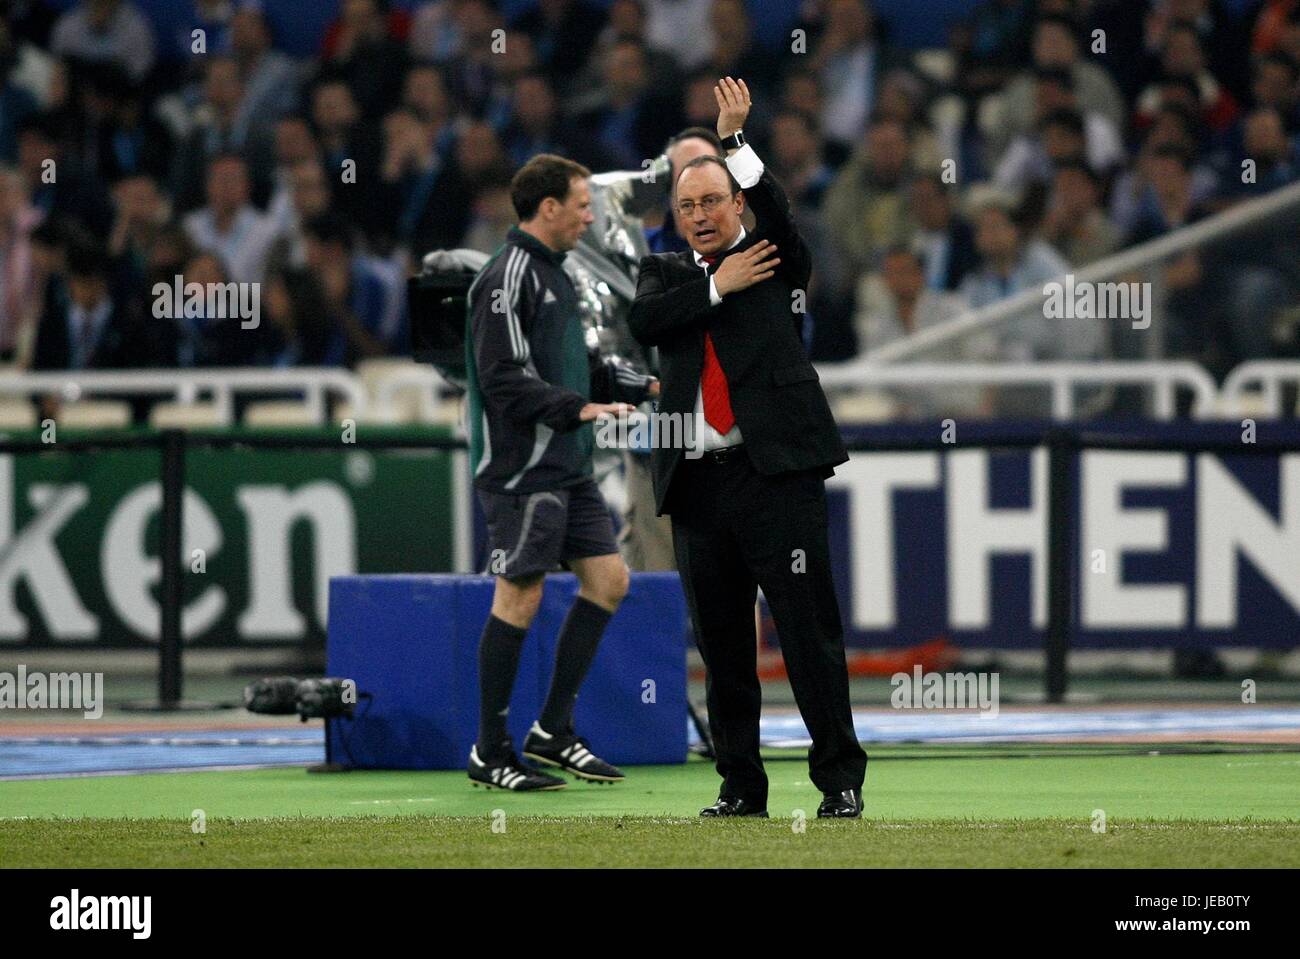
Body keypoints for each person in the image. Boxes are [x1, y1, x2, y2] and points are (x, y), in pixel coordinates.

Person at [629, 78, 867, 819]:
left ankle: (840, 781)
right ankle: (740, 786)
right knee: (724, 651)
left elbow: (788, 229)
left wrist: (736, 142)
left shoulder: (771, 258)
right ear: (676, 216)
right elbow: (646, 321)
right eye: (687, 206)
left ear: (737, 205)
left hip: (777, 478)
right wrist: (712, 286)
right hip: (699, 487)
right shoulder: (666, 274)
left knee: (807, 635)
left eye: (712, 201)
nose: (700, 215)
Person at [465, 152, 659, 791]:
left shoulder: (555, 272)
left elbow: (579, 366)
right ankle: (490, 750)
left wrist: (648, 383)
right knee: (518, 594)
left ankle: (551, 729)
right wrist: (579, 407)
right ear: (548, 208)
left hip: (564, 463)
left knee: (608, 580)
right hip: (522, 470)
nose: (589, 217)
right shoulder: (506, 277)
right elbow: (504, 380)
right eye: (581, 205)